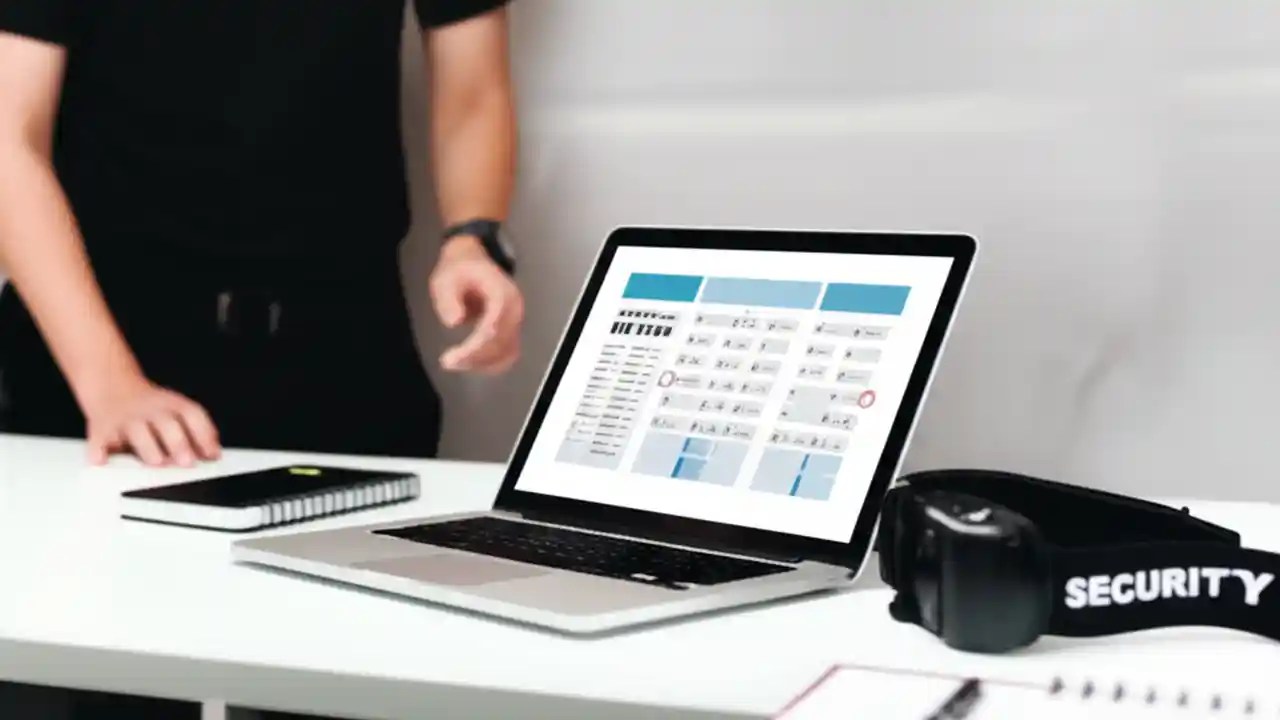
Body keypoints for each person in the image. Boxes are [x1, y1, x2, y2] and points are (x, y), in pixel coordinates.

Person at [0, 0, 523, 467]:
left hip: (347, 356)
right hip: (98, 356)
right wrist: (110, 384)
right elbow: (10, 139)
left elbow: (474, 91)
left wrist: (470, 239)